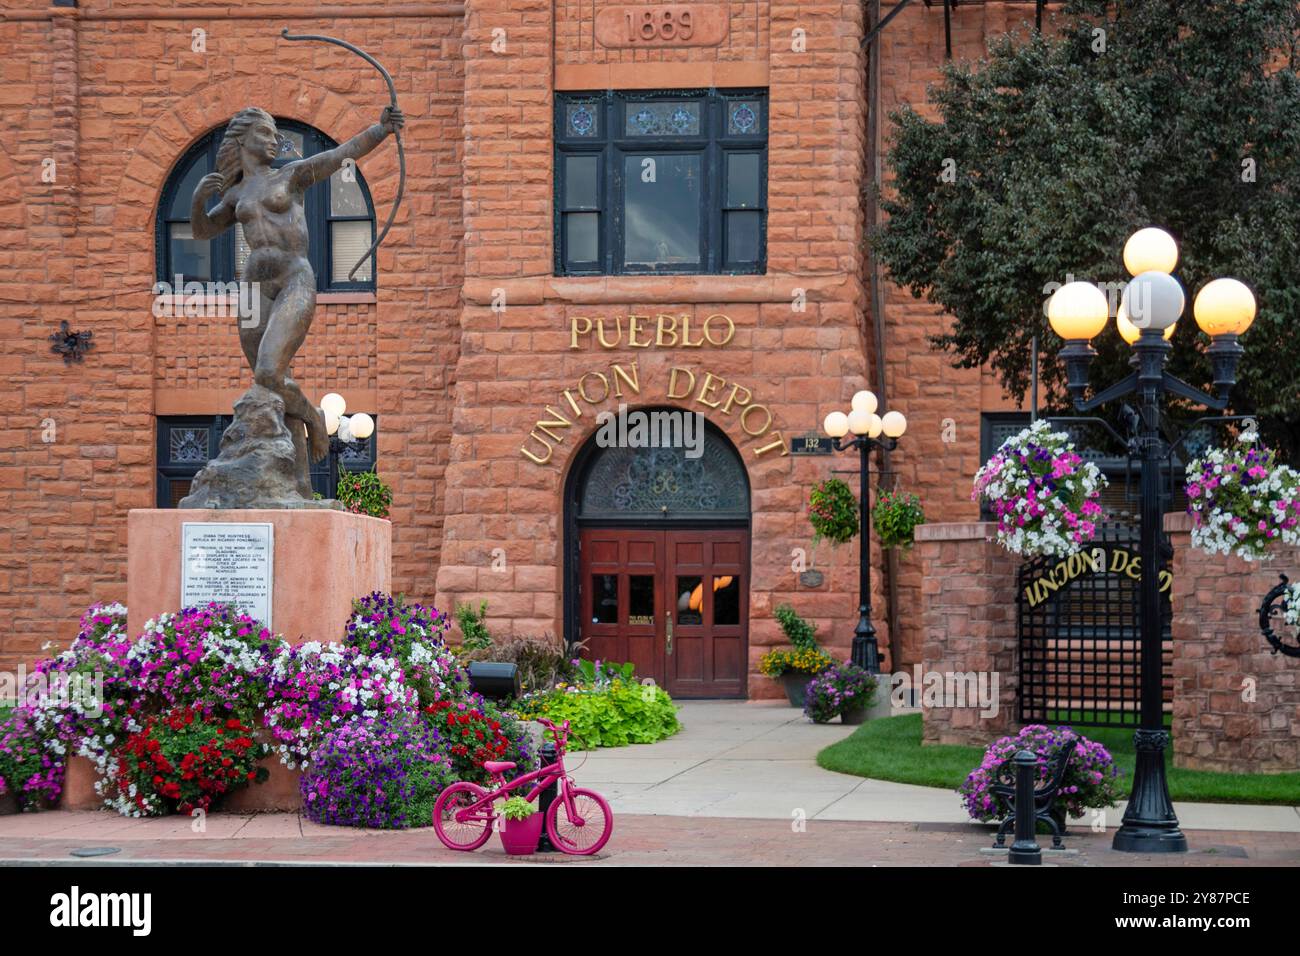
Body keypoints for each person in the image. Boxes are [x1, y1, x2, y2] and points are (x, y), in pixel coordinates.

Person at [189, 105, 404, 493]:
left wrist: (382, 130)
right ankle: (300, 485)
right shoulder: (236, 192)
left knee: (268, 372)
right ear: (243, 141)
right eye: (265, 134)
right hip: (255, 284)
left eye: (275, 134)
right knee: (272, 387)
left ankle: (315, 417)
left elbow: (340, 155)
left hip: (293, 278)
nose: (274, 141)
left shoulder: (291, 175)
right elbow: (204, 231)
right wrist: (195, 201)